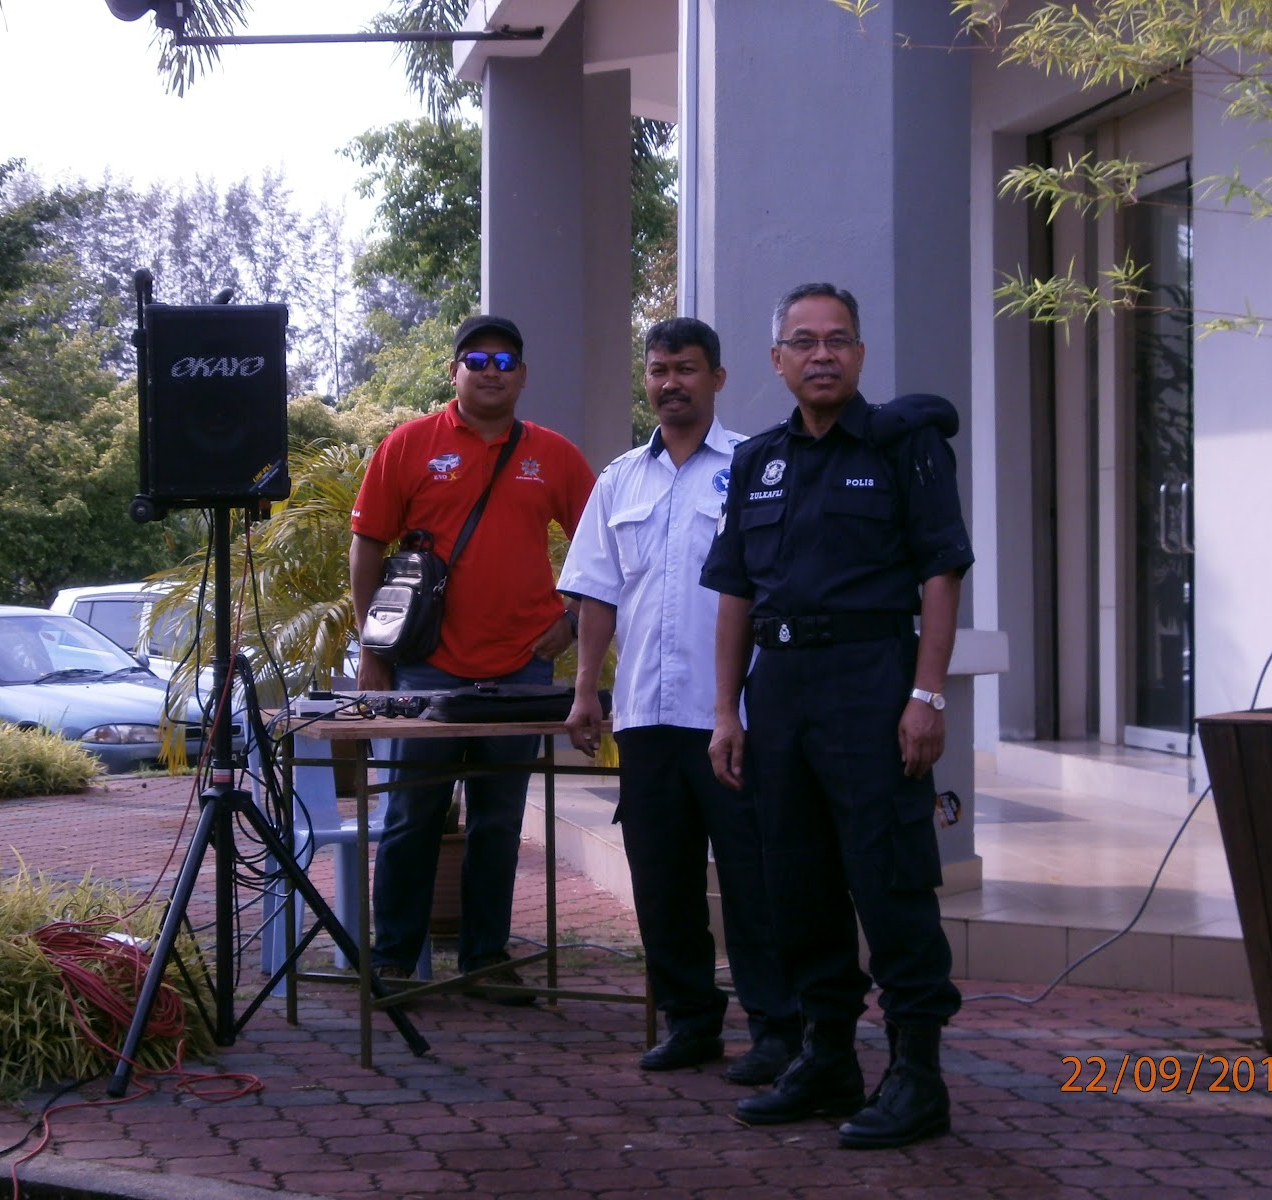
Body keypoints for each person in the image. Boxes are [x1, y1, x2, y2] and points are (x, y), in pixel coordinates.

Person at [700, 283, 973, 1149]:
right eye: (804, 341)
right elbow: (736, 589)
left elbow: (940, 571)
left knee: (889, 878)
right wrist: (725, 710)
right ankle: (826, 1058)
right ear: (777, 359)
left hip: (872, 684)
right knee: (798, 880)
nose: (823, 355)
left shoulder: (904, 444)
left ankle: (917, 1074)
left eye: (839, 341)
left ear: (860, 355)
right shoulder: (757, 462)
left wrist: (927, 694)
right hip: (779, 691)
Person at [559, 318, 802, 1085]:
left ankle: (776, 1029)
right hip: (645, 717)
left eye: (687, 369)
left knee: (752, 880)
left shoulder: (758, 468)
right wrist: (585, 689)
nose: (671, 382)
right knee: (661, 880)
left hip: (732, 718)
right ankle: (690, 1021)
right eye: (659, 369)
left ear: (718, 379)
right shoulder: (619, 479)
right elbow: (597, 592)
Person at [349, 314, 595, 1001]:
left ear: (522, 374)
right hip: (428, 667)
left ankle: (485, 960)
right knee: (411, 814)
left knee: (498, 821)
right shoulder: (409, 445)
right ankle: (393, 958)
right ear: (454, 371)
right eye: (477, 359)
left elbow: (604, 547)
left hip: (522, 669)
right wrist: (374, 649)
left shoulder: (554, 454)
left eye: (505, 361)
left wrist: (573, 621)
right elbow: (367, 543)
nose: (491, 371)